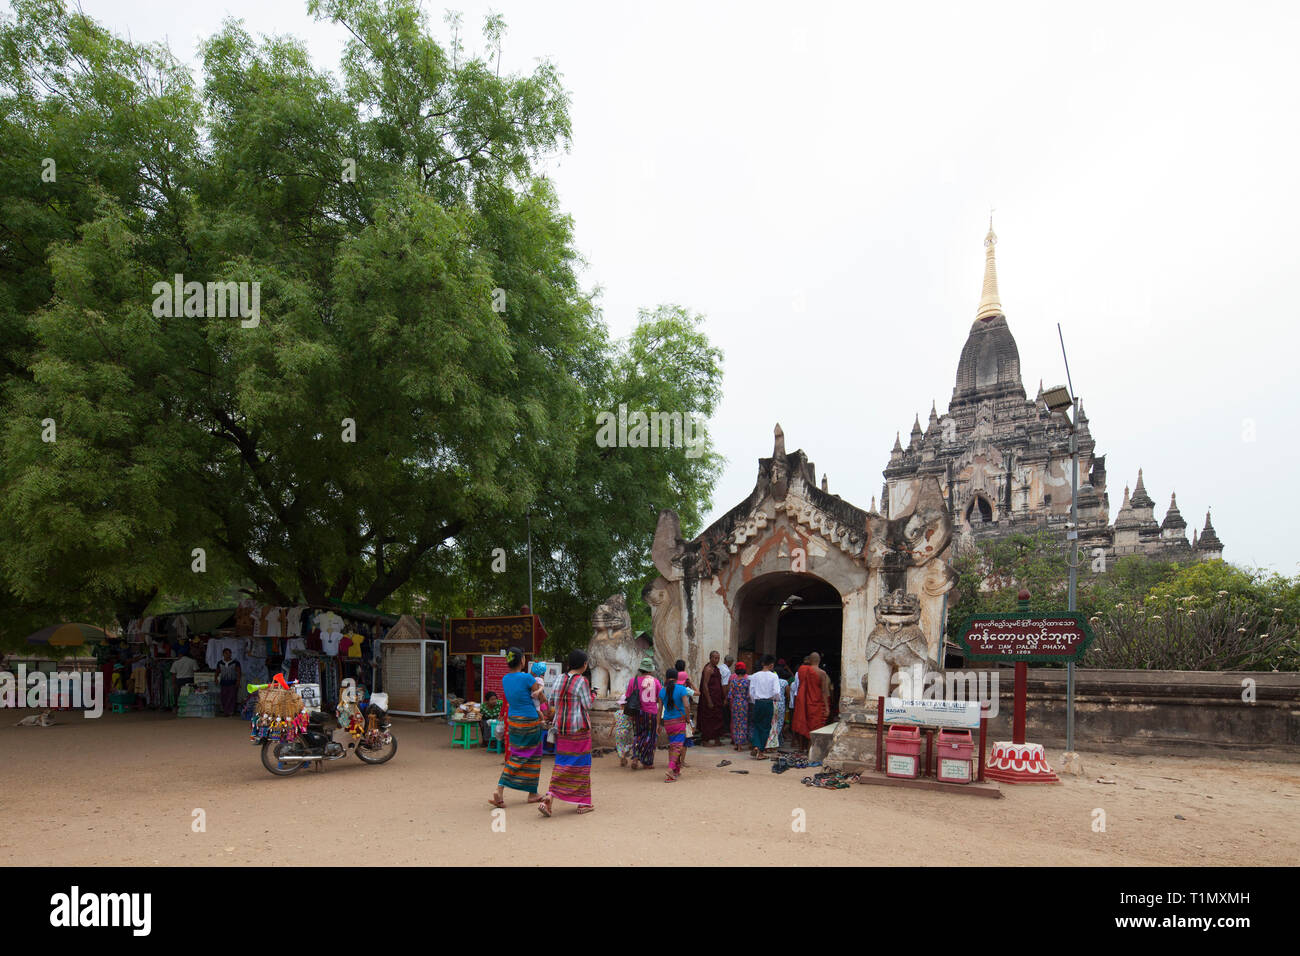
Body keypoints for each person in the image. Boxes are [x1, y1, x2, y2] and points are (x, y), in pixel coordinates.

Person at [539, 649, 595, 816]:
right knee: (582, 765)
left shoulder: (559, 679)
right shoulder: (582, 681)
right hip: (579, 729)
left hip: (562, 729)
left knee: (562, 763)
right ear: (584, 665)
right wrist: (593, 695)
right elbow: (587, 705)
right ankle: (583, 803)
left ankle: (549, 796)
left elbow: (552, 702)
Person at [490, 647, 546, 808]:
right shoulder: (528, 678)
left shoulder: (505, 679)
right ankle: (500, 788)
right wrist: (541, 690)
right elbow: (541, 699)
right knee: (526, 756)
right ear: (522, 661)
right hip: (529, 720)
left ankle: (532, 792)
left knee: (523, 754)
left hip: (513, 720)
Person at [624, 655, 662, 770]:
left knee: (637, 735)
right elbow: (659, 698)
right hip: (651, 713)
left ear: (640, 669)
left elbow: (627, 697)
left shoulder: (633, 681)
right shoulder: (656, 681)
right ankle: (647, 762)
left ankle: (635, 757)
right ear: (650, 669)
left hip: (637, 713)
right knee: (650, 737)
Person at [659, 667, 693, 782]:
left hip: (668, 722)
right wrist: (688, 719)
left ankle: (675, 770)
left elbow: (659, 710)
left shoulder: (662, 691)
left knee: (673, 745)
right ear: (677, 678)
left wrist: (659, 725)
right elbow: (687, 705)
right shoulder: (681, 689)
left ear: (667, 678)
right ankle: (670, 769)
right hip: (679, 721)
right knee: (678, 746)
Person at [792, 652, 832, 751]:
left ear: (809, 660)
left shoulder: (802, 670)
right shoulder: (821, 673)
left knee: (803, 723)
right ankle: (811, 751)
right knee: (815, 727)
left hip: (804, 702)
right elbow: (823, 691)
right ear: (819, 661)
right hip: (816, 703)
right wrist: (827, 707)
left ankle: (801, 748)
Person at [748, 655, 782, 758]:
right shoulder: (773, 676)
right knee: (766, 727)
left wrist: (755, 701)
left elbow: (751, 692)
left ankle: (756, 746)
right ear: (771, 665)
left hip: (758, 703)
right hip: (768, 703)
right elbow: (776, 691)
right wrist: (776, 699)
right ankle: (760, 751)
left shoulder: (754, 676)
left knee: (757, 725)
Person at [696, 650, 726, 747]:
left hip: (717, 699)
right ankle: (705, 740)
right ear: (710, 658)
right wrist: (709, 700)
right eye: (715, 658)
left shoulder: (716, 669)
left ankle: (717, 739)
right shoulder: (708, 669)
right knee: (708, 720)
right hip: (710, 699)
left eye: (718, 658)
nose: (716, 660)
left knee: (718, 719)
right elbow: (705, 685)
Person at [726, 661, 751, 752]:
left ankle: (737, 744)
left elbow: (729, 695)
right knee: (743, 724)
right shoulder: (747, 682)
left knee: (736, 724)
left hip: (735, 704)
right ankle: (741, 744)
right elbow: (749, 695)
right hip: (744, 704)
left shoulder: (733, 681)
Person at [769, 665, 792, 751]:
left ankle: (772, 742)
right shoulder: (785, 682)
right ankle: (774, 743)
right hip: (781, 704)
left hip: (772, 703)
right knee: (779, 723)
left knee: (772, 723)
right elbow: (788, 694)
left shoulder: (772, 680)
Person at [216, 649, 241, 717]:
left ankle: (230, 711)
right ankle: (225, 710)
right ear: (223, 654)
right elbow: (217, 672)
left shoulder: (235, 662)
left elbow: (238, 672)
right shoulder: (220, 663)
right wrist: (215, 679)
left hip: (232, 682)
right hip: (223, 682)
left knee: (232, 697)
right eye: (226, 653)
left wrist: (238, 681)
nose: (227, 655)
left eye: (229, 653)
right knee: (223, 697)